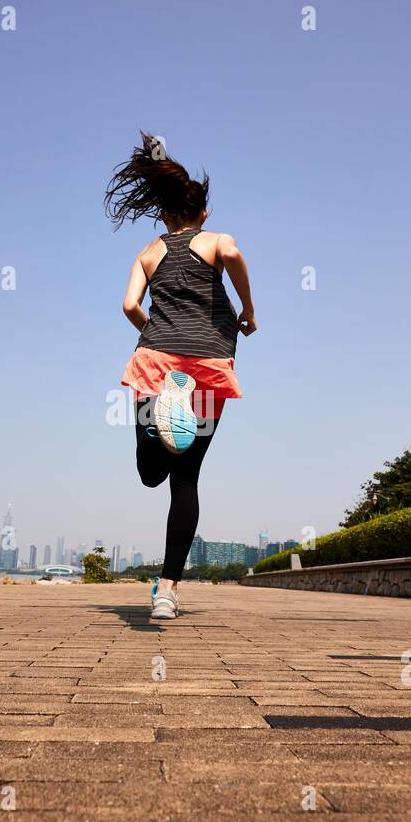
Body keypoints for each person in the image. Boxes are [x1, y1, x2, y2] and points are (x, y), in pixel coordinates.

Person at [104, 132, 257, 619]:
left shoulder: (149, 252)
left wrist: (156, 330)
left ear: (165, 215)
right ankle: (168, 588)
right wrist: (248, 311)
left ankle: (160, 425)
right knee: (186, 480)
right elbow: (232, 257)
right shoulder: (217, 239)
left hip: (157, 364)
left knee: (150, 473)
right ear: (203, 212)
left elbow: (129, 305)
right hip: (209, 370)